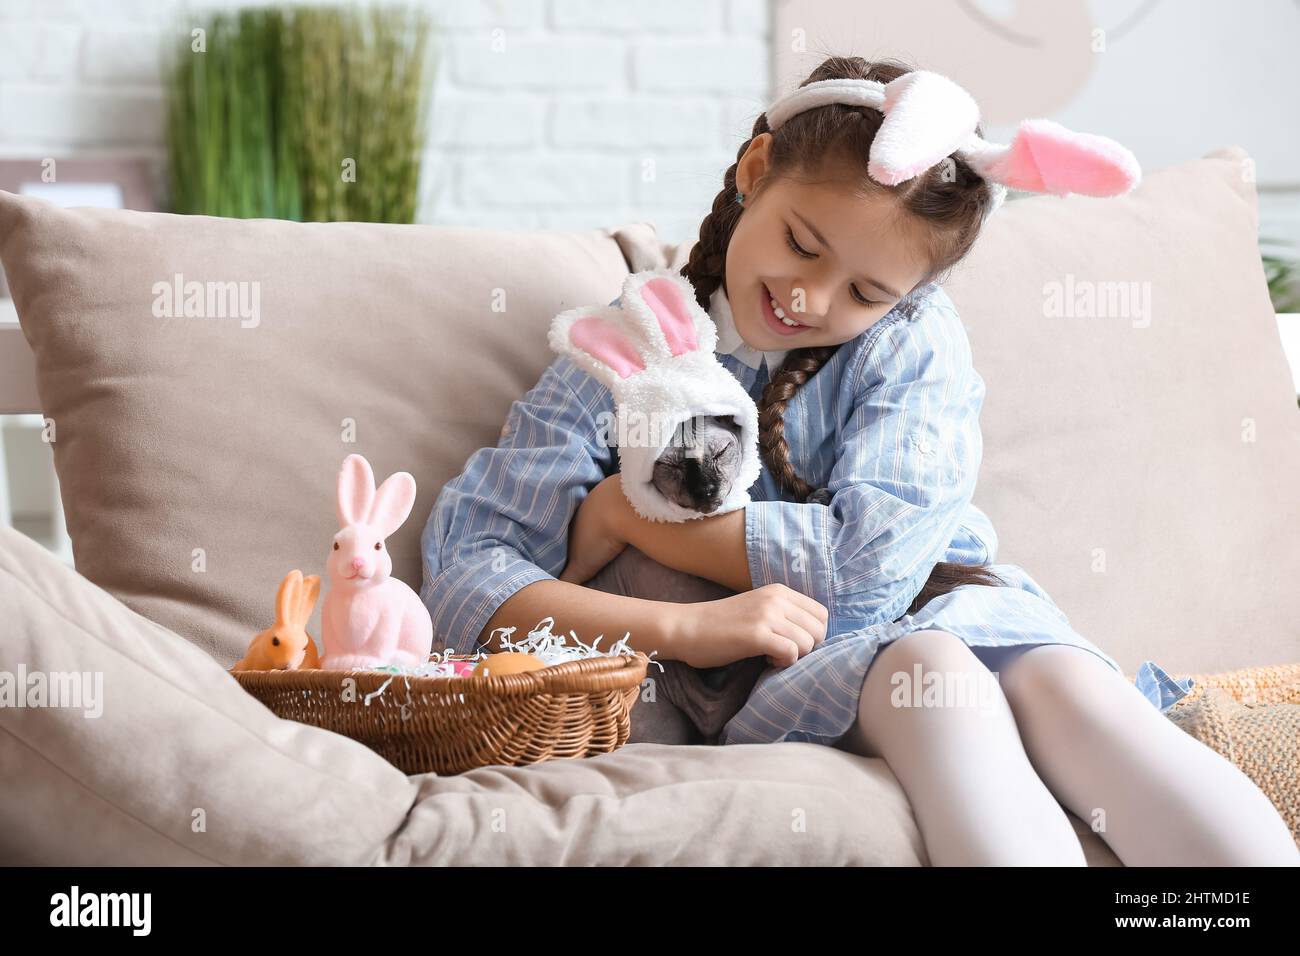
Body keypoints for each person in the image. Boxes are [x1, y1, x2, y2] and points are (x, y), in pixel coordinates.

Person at [421, 55, 1299, 866]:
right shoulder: (633, 346)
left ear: (908, 296)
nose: (812, 297)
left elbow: (872, 564)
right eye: (804, 244)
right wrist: (693, 627)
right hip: (820, 672)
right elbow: (465, 584)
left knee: (1064, 678)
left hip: (961, 600)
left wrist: (625, 516)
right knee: (934, 673)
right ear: (757, 173)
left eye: (868, 291)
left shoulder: (914, 343)